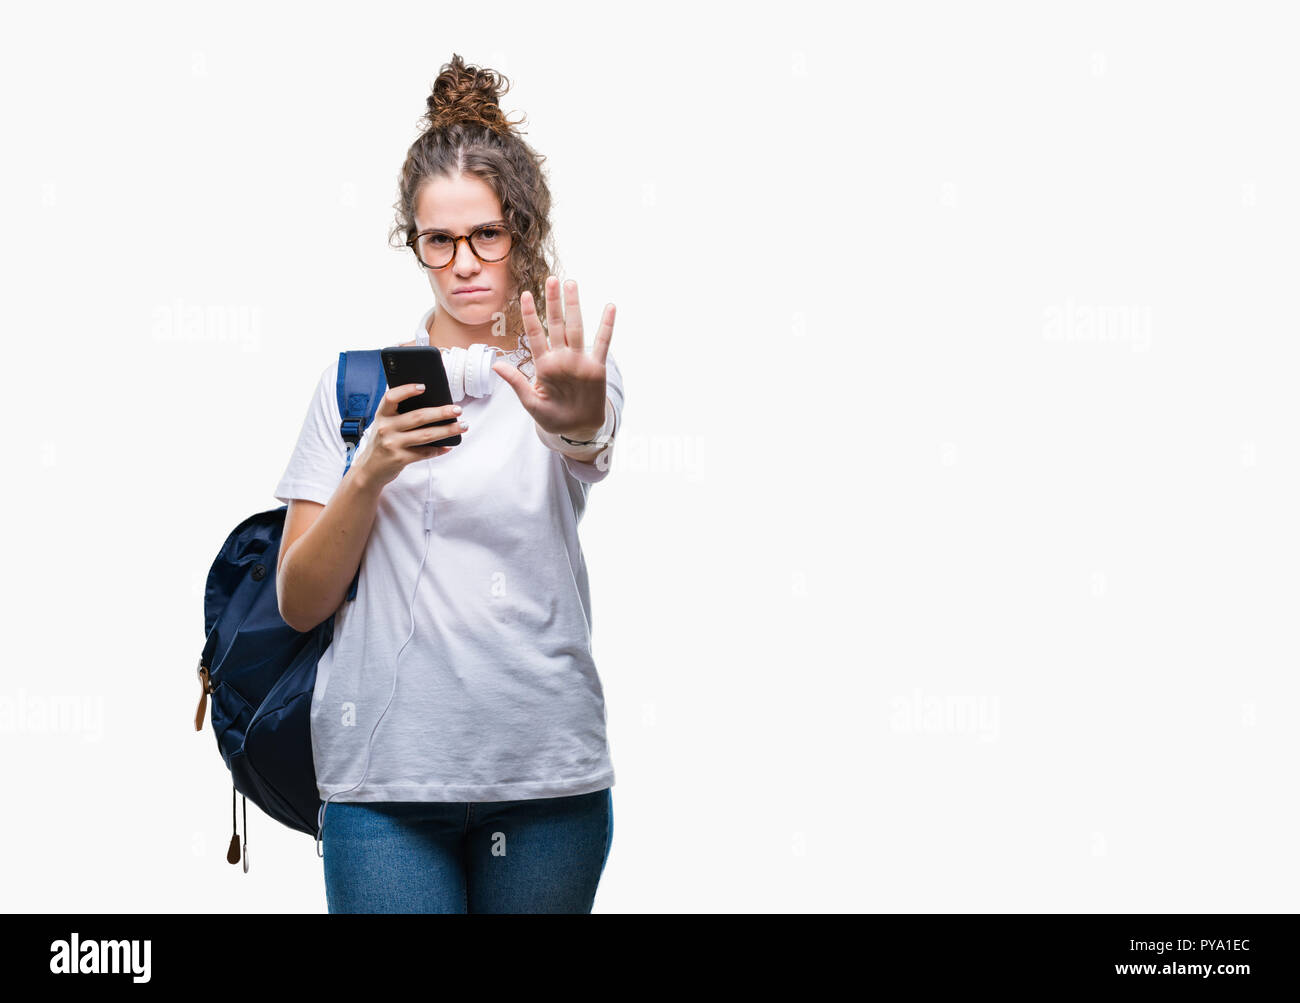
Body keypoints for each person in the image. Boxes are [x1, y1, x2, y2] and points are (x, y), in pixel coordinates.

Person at [272, 54, 623, 913]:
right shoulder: (354, 389)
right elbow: (299, 602)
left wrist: (574, 413)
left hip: (548, 782)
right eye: (440, 239)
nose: (465, 263)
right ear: (416, 241)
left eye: (487, 235)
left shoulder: (564, 370)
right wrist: (373, 469)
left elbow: (584, 430)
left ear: (521, 229)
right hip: (384, 790)